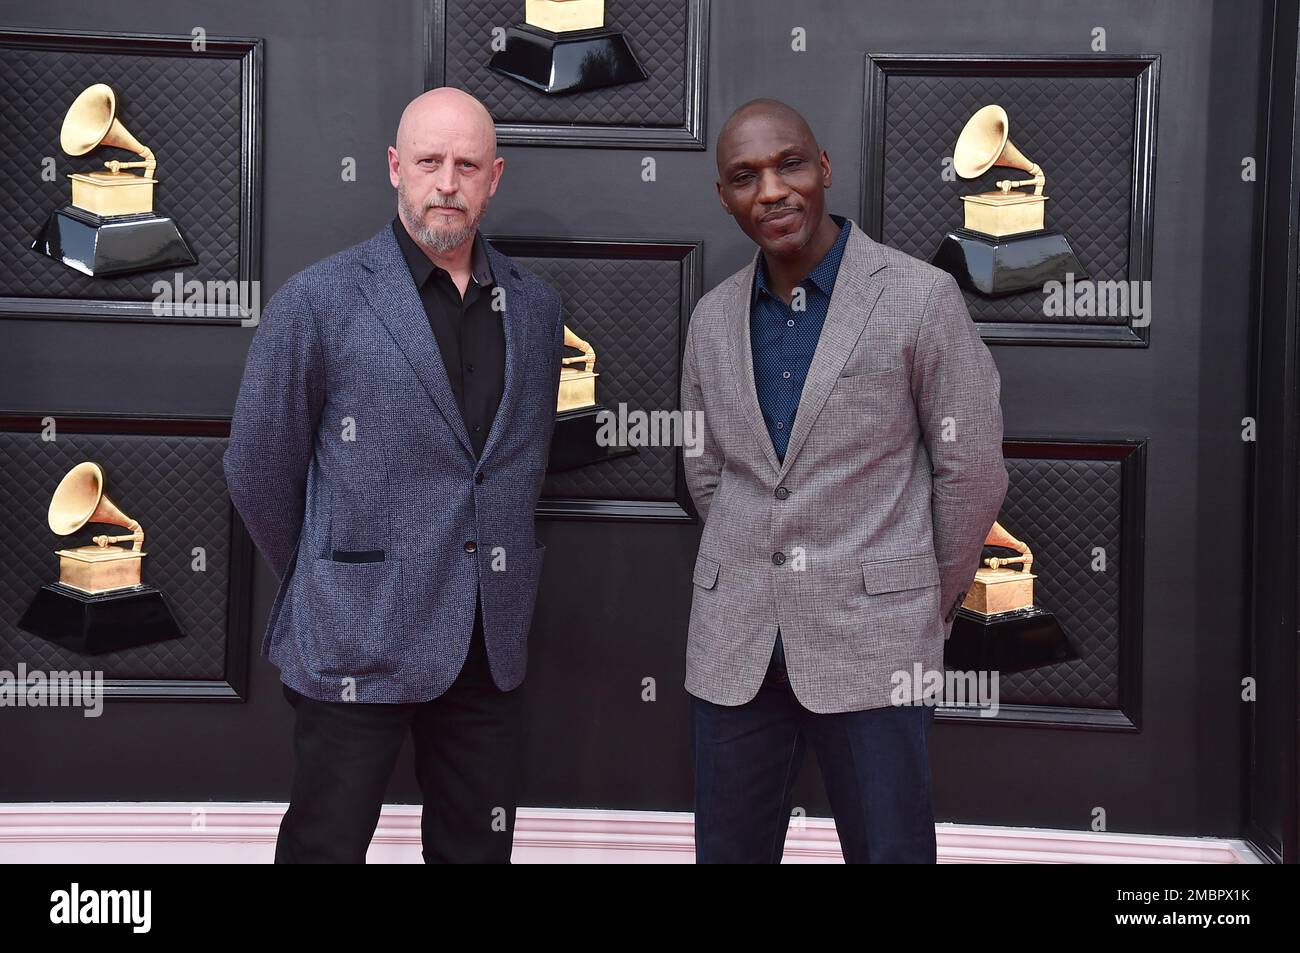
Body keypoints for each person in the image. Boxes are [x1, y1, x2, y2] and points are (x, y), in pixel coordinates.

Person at [223, 87, 564, 863]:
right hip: (355, 640)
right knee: (325, 845)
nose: (448, 181)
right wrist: (332, 572)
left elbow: (517, 465)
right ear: (393, 168)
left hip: (487, 641)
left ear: (495, 177)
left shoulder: (537, 308)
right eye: (429, 161)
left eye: (467, 164)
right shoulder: (318, 301)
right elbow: (256, 467)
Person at [680, 99, 1009, 863]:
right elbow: (707, 470)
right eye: (744, 177)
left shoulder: (920, 297)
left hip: (878, 645)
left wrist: (920, 596)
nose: (771, 190)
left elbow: (973, 469)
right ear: (725, 197)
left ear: (823, 168)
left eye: (788, 164)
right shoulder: (710, 318)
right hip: (735, 649)